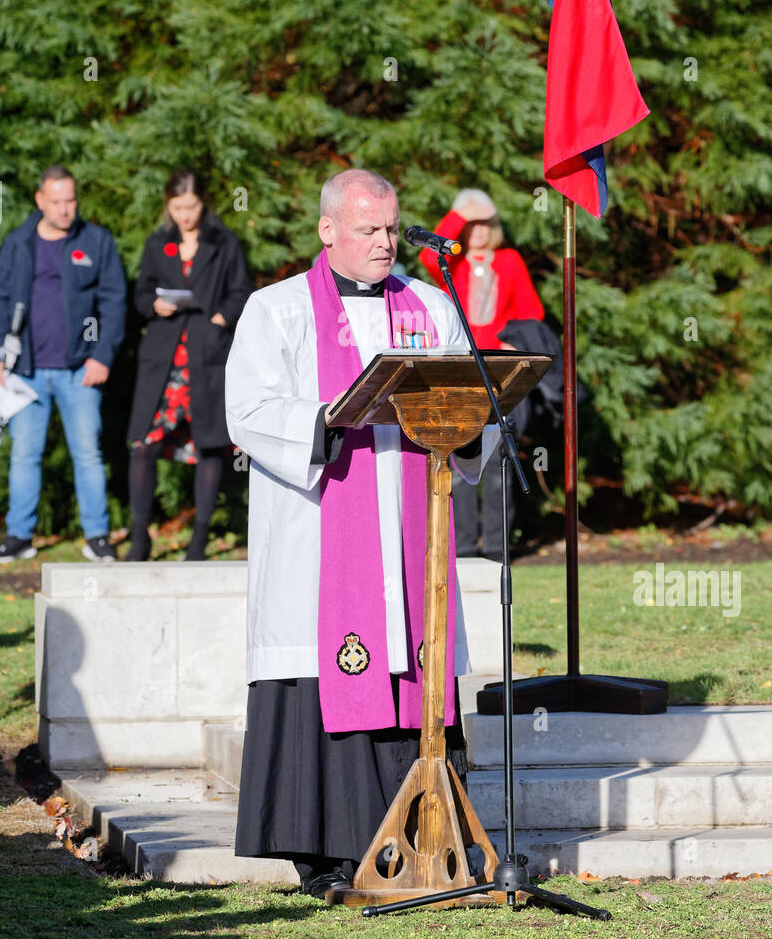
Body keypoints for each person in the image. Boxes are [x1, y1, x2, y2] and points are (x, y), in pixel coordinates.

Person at [225, 169, 498, 898]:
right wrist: (326, 419)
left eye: (389, 229)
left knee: (411, 666)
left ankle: (429, 843)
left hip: (412, 539)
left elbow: (477, 406)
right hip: (320, 533)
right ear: (327, 231)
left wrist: (474, 429)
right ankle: (329, 854)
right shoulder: (277, 310)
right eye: (367, 230)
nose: (384, 243)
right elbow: (247, 410)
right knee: (327, 674)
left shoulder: (432, 307)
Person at [0, 165, 126, 563]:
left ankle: (97, 536)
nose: (66, 209)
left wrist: (100, 355)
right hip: (25, 370)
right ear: (40, 200)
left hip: (80, 370)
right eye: (57, 201)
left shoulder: (95, 241)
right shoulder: (18, 244)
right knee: (25, 454)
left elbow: (112, 303)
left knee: (88, 454)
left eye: (71, 200)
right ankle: (19, 536)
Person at [125, 169, 253, 562]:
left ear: (204, 203)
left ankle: (198, 540)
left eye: (191, 206)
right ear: (167, 205)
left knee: (209, 446)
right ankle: (139, 539)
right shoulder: (157, 243)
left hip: (206, 355)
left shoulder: (224, 242)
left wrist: (220, 319)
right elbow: (141, 290)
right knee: (143, 445)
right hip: (164, 358)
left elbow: (242, 292)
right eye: (177, 207)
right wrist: (152, 305)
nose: (184, 215)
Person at [420, 188, 545, 560]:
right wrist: (460, 212)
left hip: (498, 370)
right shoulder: (450, 264)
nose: (475, 230)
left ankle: (494, 548)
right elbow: (429, 252)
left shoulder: (509, 261)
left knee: (496, 463)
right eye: (468, 224)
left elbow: (530, 312)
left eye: (482, 223)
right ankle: (460, 549)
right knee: (458, 462)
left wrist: (514, 344)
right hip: (459, 368)